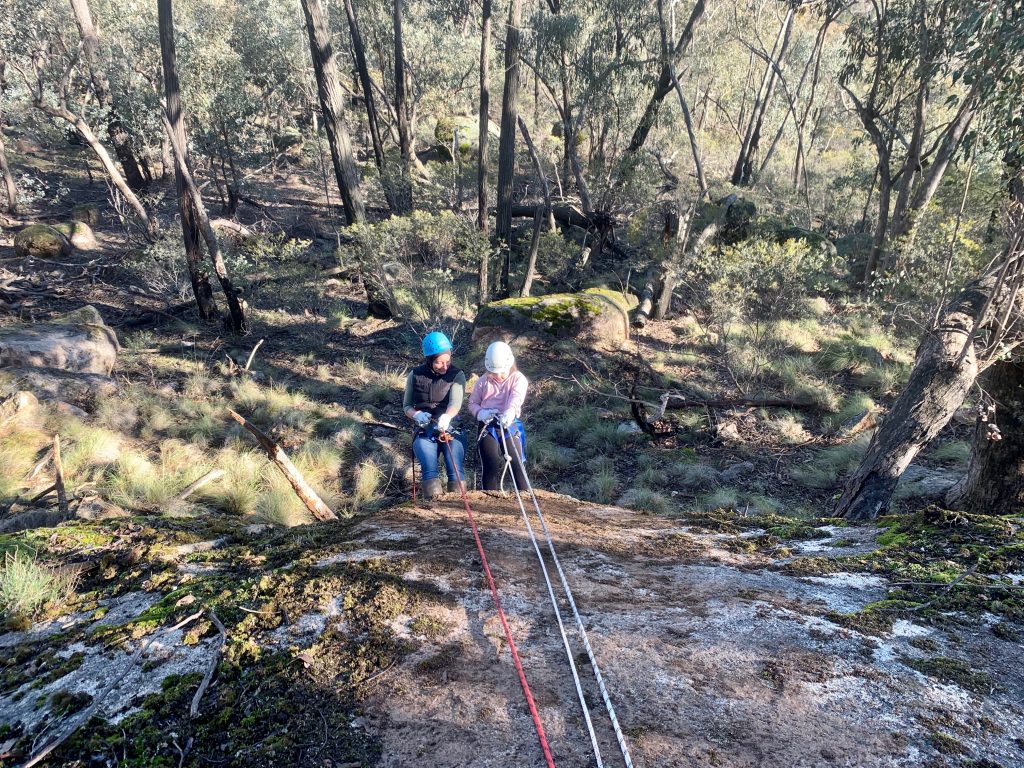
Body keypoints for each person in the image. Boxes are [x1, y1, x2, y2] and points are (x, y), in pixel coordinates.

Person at [403, 331, 467, 498]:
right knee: (429, 470)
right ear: (430, 359)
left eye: (448, 361)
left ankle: (459, 505)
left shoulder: (457, 375)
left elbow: (455, 403)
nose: (445, 366)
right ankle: (432, 508)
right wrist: (416, 414)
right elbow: (407, 406)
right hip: (425, 430)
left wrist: (447, 416)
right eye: (439, 362)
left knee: (454, 467)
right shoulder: (415, 375)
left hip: (451, 428)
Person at [468, 341, 528, 492]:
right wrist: (480, 413)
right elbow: (473, 403)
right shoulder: (483, 382)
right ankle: (488, 502)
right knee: (490, 466)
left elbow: (516, 397)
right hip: (488, 426)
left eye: (502, 371)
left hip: (509, 423)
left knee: (516, 465)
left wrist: (510, 411)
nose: (499, 375)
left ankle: (524, 496)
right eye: (494, 372)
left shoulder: (518, 379)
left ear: (510, 365)